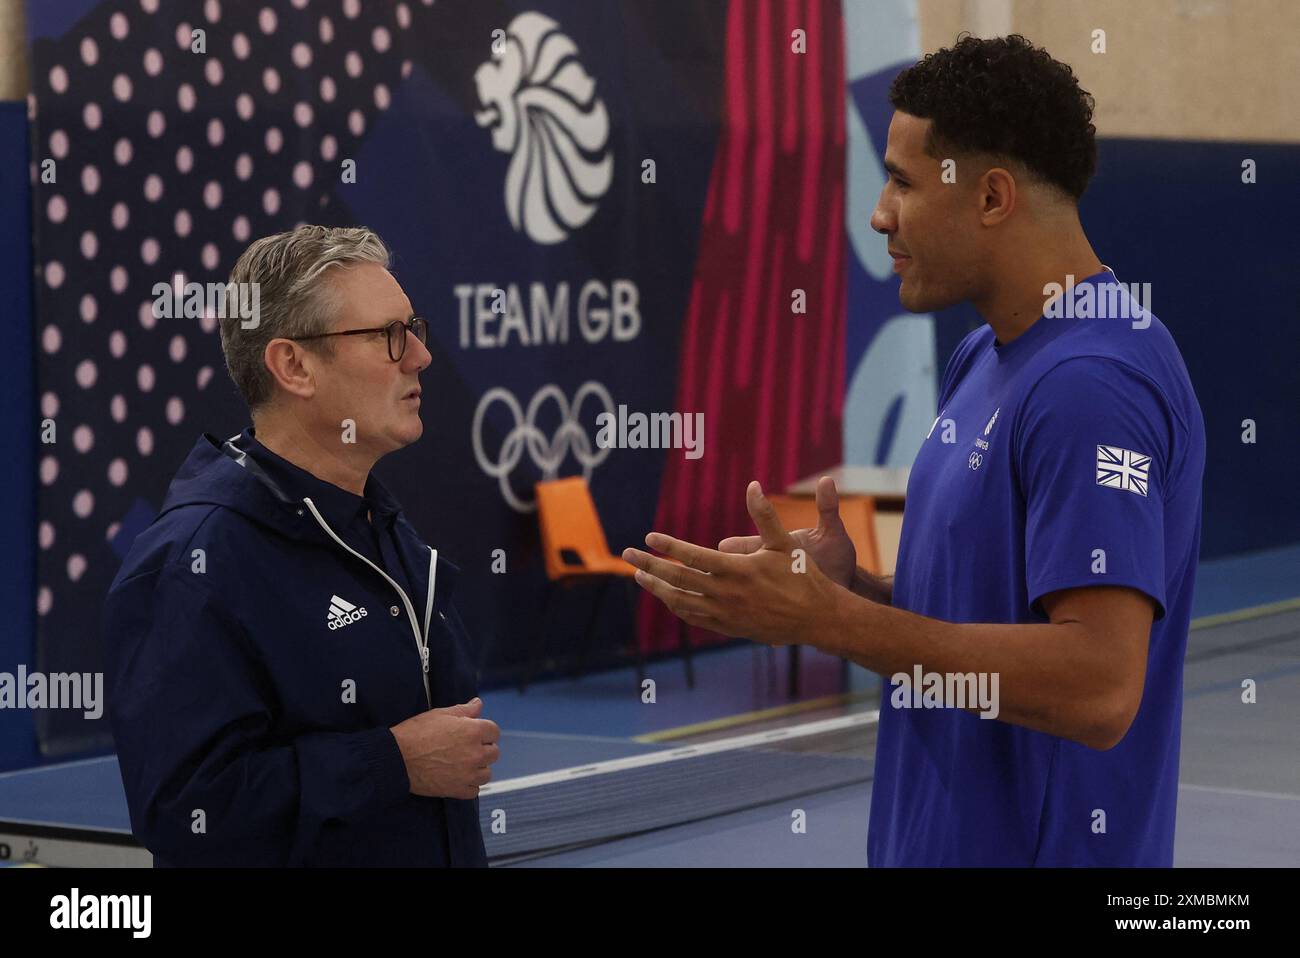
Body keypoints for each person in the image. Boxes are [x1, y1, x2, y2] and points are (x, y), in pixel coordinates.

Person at [625, 35, 1205, 866]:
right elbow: (991, 609)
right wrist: (857, 591)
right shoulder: (985, 357)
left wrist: (838, 622)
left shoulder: (1091, 385)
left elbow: (1100, 684)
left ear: (994, 196)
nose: (879, 213)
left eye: (901, 181)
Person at [102, 226, 499, 866]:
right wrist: (391, 764)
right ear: (293, 366)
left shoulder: (382, 533)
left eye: (415, 328)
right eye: (388, 335)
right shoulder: (194, 564)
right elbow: (186, 813)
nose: (421, 356)